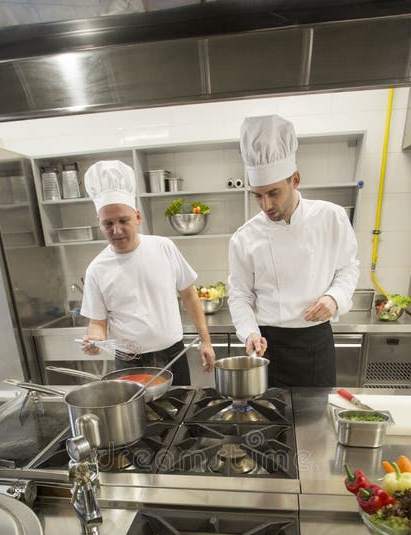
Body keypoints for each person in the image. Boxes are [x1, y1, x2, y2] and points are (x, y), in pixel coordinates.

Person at [227, 115, 359, 388]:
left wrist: (334, 298)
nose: (266, 205)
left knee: (316, 412)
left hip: (315, 343)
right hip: (267, 346)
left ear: (295, 179)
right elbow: (240, 294)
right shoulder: (244, 237)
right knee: (267, 413)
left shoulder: (331, 217)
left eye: (273, 193)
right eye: (258, 195)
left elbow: (348, 268)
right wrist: (249, 332)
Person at [80, 160, 215, 385]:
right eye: (108, 224)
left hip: (172, 356)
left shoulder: (164, 247)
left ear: (138, 217)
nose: (116, 230)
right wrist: (95, 340)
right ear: (99, 223)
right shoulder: (97, 269)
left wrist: (206, 341)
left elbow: (189, 295)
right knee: (135, 410)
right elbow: (98, 322)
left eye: (123, 220)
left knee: (179, 406)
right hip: (129, 362)